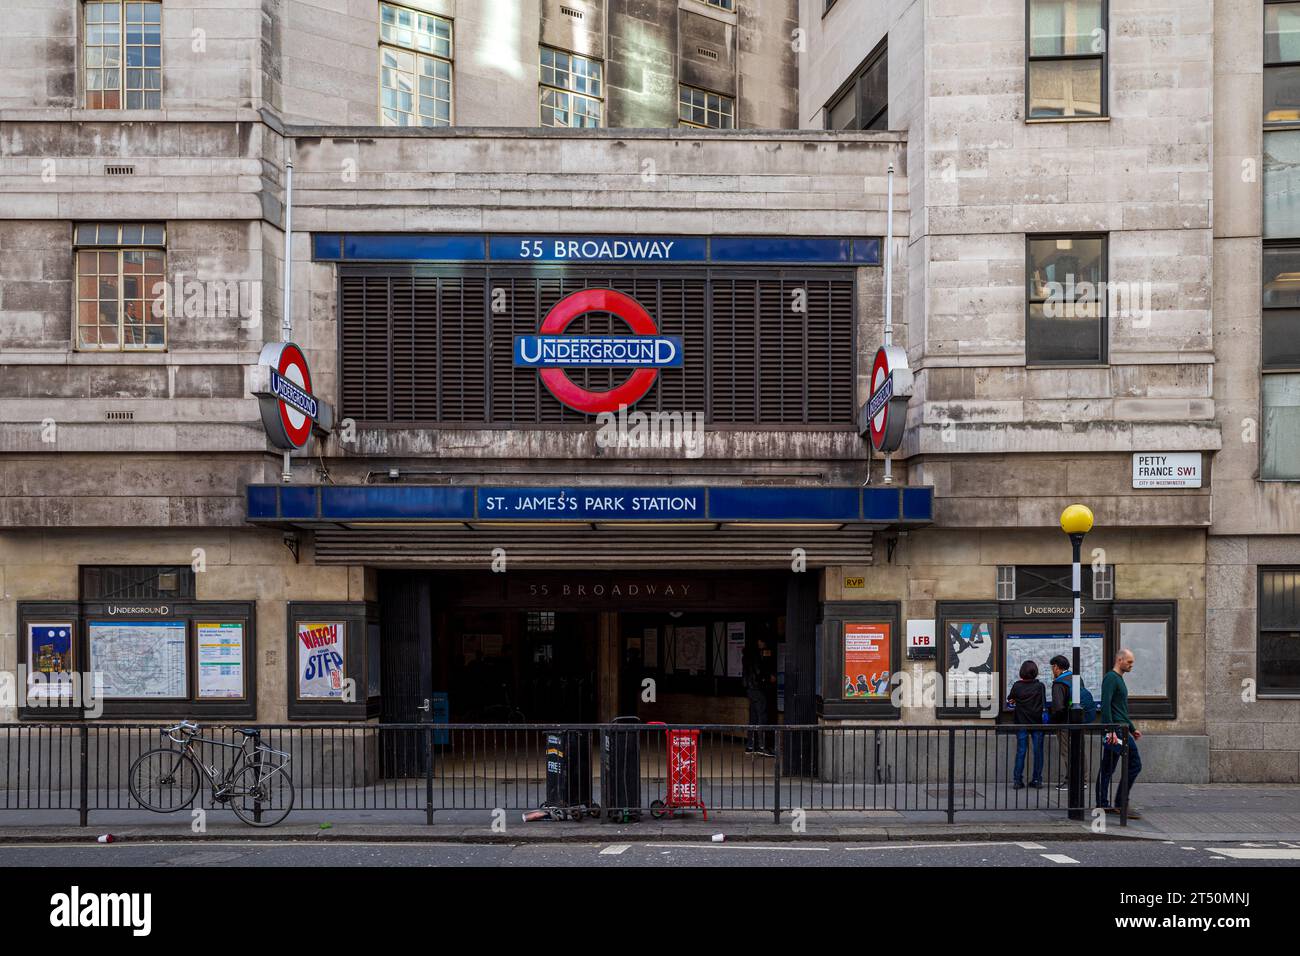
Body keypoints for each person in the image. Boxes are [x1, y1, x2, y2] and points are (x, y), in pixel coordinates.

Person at [1097, 648, 1143, 818]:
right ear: (1120, 660)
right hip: (1116, 731)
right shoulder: (1111, 678)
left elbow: (1120, 710)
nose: (1131, 665)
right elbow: (1106, 705)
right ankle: (1120, 803)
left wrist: (1132, 728)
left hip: (1121, 729)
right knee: (1134, 764)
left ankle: (1104, 803)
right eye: (1129, 662)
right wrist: (1110, 731)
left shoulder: (1119, 679)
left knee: (1107, 767)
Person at [1006, 660, 1045, 789]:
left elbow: (1010, 698)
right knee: (1038, 751)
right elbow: (1043, 702)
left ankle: (1017, 780)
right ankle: (1037, 780)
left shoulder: (1017, 686)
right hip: (1037, 723)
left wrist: (1016, 700)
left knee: (1021, 751)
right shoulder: (1040, 686)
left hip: (1021, 722)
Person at [743, 634, 776, 756]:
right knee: (762, 716)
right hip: (757, 688)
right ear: (758, 642)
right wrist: (769, 677)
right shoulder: (756, 655)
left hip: (750, 689)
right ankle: (762, 746)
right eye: (763, 642)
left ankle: (750, 745)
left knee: (753, 717)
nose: (764, 644)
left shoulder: (747, 655)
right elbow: (758, 671)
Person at [1048, 655, 1072, 792]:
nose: (1052, 670)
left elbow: (1058, 707)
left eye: (1052, 667)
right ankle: (1083, 780)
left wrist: (1052, 721)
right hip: (1077, 721)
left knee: (1067, 752)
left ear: (1056, 667)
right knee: (1078, 750)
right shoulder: (1075, 678)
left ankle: (1070, 781)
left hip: (1064, 724)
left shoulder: (1059, 683)